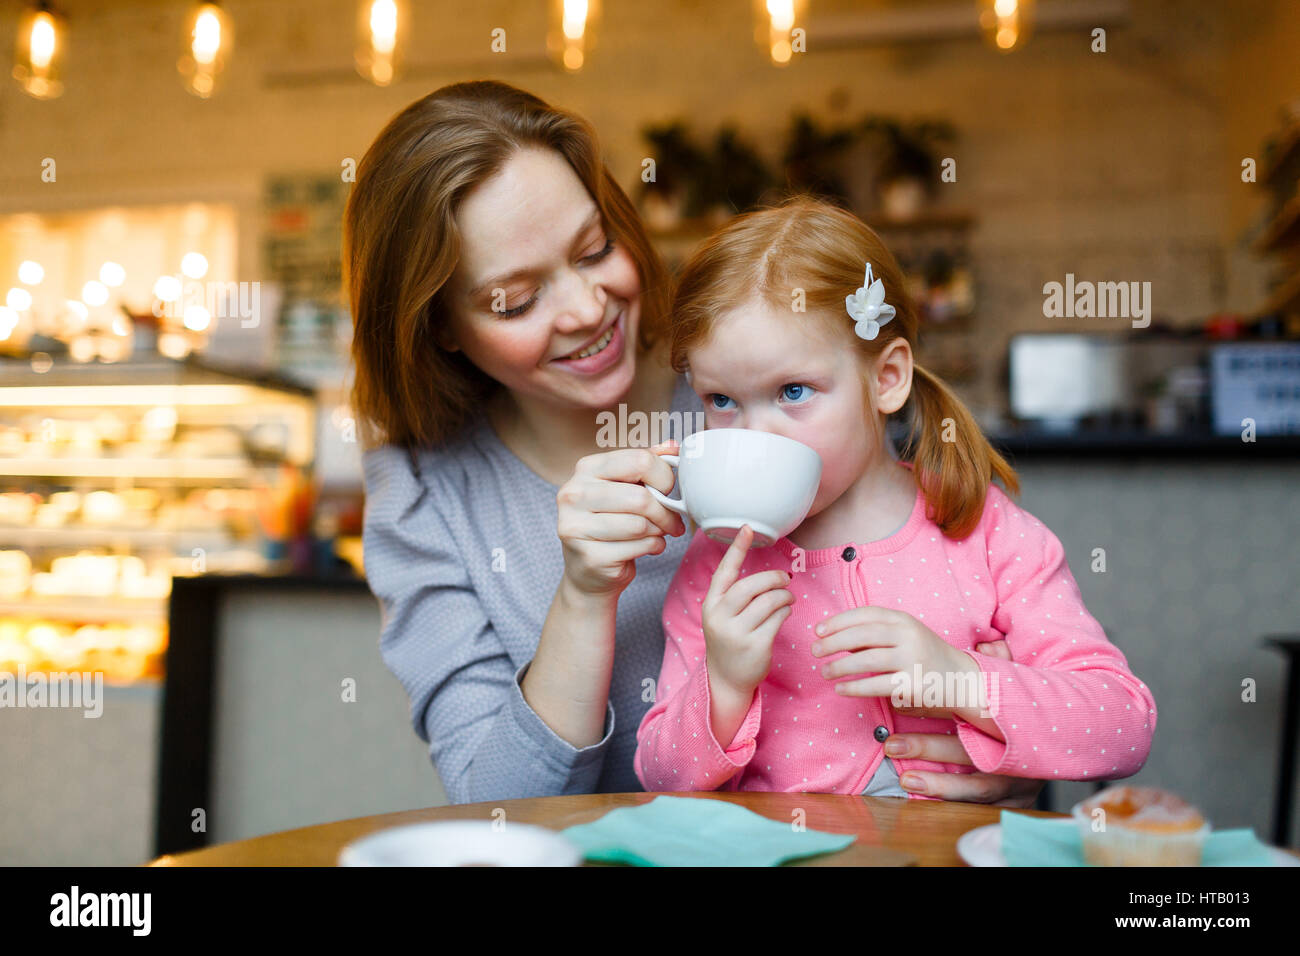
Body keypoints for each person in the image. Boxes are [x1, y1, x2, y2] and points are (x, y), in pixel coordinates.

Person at [346, 78, 1046, 806]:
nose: (588, 310)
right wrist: (583, 599)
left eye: (593, 250)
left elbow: (1049, 673)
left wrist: (1004, 753)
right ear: (438, 327)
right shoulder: (423, 492)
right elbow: (495, 808)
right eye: (517, 301)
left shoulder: (770, 381)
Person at [633, 197, 1157, 797]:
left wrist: (959, 677)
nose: (754, 435)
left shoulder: (981, 529)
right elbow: (659, 779)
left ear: (887, 379)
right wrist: (721, 685)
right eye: (722, 400)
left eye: (793, 390)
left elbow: (1123, 725)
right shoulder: (717, 565)